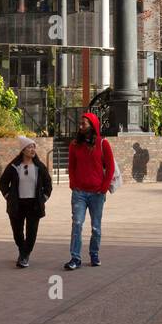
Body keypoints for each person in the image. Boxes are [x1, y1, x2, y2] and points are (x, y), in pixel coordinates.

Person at [65, 112, 114, 271]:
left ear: (92, 126)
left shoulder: (102, 143)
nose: (80, 127)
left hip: (97, 193)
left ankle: (94, 254)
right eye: (80, 124)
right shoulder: (74, 145)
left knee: (96, 227)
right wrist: (73, 184)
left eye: (83, 124)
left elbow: (111, 167)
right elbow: (71, 166)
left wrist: (104, 187)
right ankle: (75, 258)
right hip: (79, 192)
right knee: (77, 223)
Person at [0, 135, 52, 268]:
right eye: (29, 147)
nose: (33, 149)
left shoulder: (39, 167)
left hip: (34, 204)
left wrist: (43, 198)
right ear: (23, 150)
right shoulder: (14, 166)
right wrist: (8, 195)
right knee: (17, 232)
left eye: (34, 146)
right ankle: (23, 251)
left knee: (31, 232)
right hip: (17, 204)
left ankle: (24, 256)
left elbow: (48, 183)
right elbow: (3, 181)